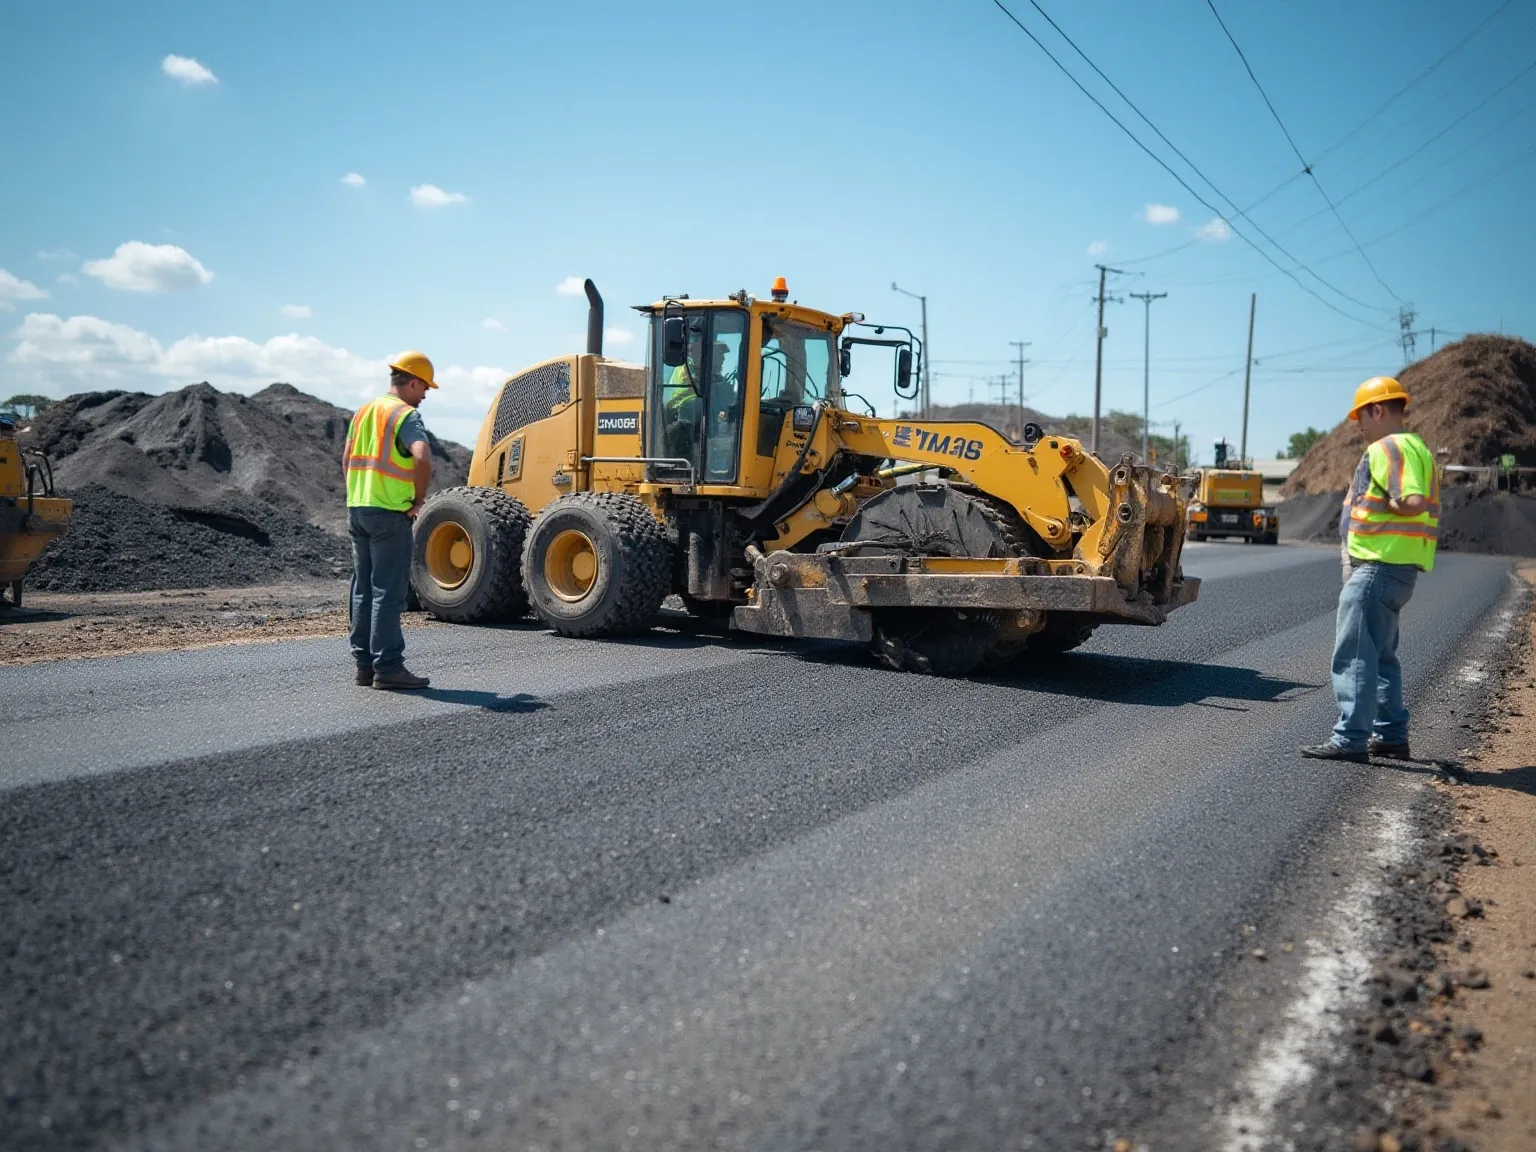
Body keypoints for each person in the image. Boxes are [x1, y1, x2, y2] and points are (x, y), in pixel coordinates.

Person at [1301, 376, 1439, 762]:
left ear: (1377, 410)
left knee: (1354, 653)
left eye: (1361, 416)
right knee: (1380, 655)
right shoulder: (1415, 448)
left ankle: (1350, 738)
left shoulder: (1391, 447)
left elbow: (1411, 501)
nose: (1358, 426)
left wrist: (1394, 506)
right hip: (1397, 568)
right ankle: (1391, 734)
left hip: (1379, 567)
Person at [344, 351, 437, 690]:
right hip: (390, 514)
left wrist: (359, 493)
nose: (425, 395)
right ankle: (389, 667)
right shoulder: (405, 414)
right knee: (388, 590)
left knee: (363, 589)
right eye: (424, 387)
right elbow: (422, 456)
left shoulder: (364, 412)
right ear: (411, 382)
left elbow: (346, 457)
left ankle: (364, 666)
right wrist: (418, 498)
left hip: (358, 509)